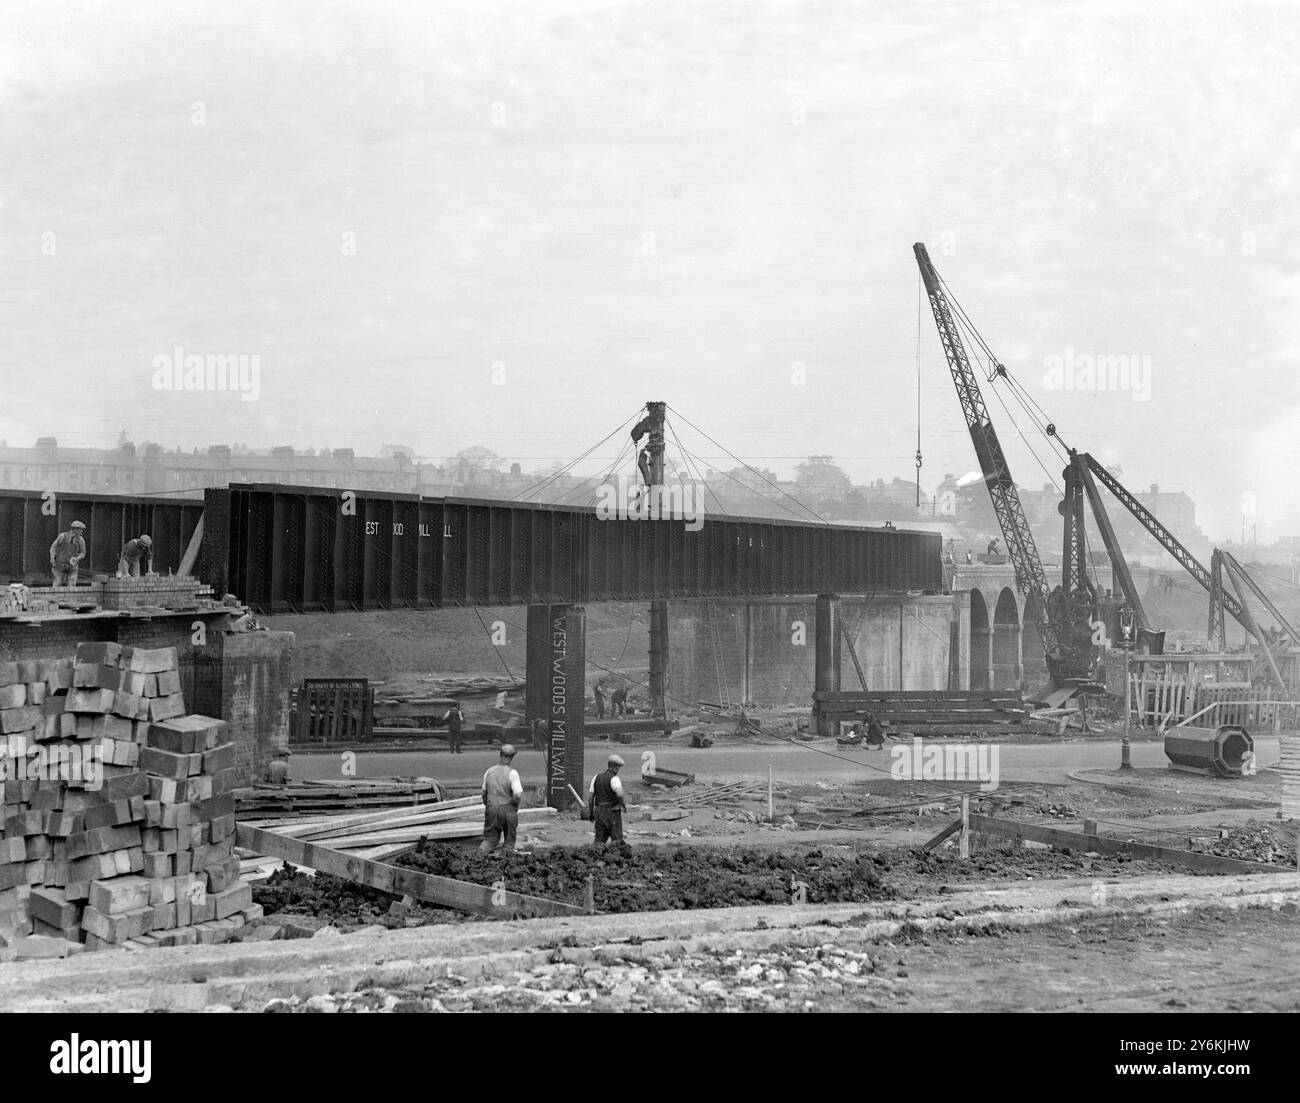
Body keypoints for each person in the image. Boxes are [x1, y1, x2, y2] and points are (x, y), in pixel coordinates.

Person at [479, 743, 523, 853]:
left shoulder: (489, 772)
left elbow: (484, 794)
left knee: (489, 839)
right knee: (509, 842)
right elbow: (517, 795)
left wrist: (489, 807)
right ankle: (505, 860)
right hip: (508, 810)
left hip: (492, 809)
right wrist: (513, 807)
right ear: (512, 757)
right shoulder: (512, 773)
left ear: (500, 754)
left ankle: (477, 857)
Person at [588, 753, 627, 846]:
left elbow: (590, 797)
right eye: (619, 767)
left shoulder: (596, 777)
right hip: (612, 812)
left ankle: (594, 858)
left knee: (598, 843)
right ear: (616, 767)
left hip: (599, 812)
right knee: (617, 842)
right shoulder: (614, 779)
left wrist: (591, 813)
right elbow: (620, 794)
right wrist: (622, 805)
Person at [49, 521, 87, 586]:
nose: (81, 531)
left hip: (72, 566)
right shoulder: (62, 536)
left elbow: (83, 553)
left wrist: (77, 558)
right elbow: (53, 547)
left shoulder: (80, 540)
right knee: (57, 584)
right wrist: (52, 557)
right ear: (75, 529)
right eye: (80, 529)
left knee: (71, 586)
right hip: (60, 565)